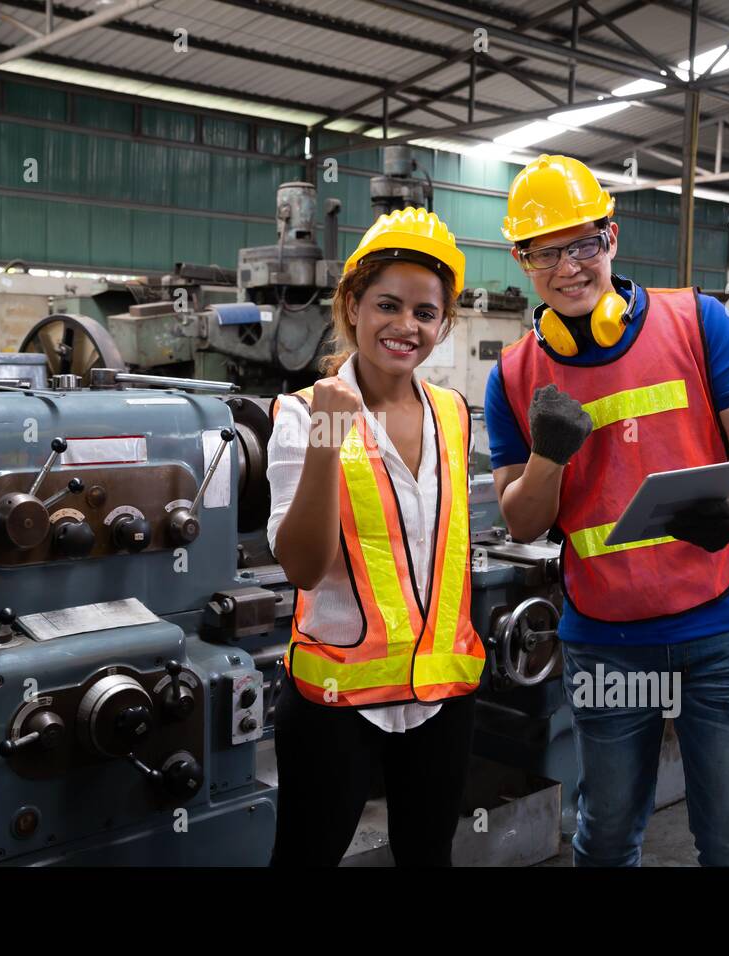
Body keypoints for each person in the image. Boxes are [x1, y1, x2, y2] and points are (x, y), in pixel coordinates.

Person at [485, 154, 729, 866]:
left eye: (583, 244)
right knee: (608, 835)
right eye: (544, 252)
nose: (568, 267)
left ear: (612, 239)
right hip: (607, 638)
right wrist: (548, 457)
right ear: (522, 259)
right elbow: (522, 522)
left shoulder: (699, 322)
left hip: (725, 628)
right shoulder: (514, 376)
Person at [266, 207, 485, 866]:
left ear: (443, 325)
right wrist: (331, 434)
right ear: (352, 305)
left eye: (425, 312)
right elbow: (302, 566)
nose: (406, 326)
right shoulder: (303, 414)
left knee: (428, 857)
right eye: (388, 304)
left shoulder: (452, 414)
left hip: (442, 696)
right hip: (338, 701)